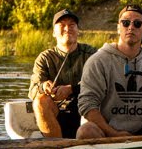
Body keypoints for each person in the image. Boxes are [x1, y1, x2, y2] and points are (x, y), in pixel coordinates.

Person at [76, 5, 142, 139]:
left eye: (137, 24)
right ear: (118, 27)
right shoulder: (98, 61)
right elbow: (87, 104)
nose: (131, 27)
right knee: (86, 131)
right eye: (125, 23)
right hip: (107, 132)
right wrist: (113, 133)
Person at [28, 8, 97, 138]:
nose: (67, 28)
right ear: (54, 32)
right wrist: (44, 87)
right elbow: (32, 90)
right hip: (57, 116)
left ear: (78, 30)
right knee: (40, 101)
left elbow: (101, 84)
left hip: (88, 112)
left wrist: (72, 89)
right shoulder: (44, 58)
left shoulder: (92, 54)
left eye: (72, 25)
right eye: (62, 25)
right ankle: (56, 146)